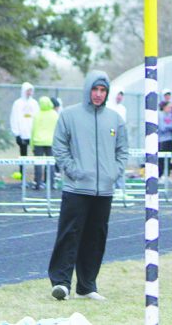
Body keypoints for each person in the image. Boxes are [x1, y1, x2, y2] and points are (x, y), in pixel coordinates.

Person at [48, 70, 128, 301]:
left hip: (104, 190)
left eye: (103, 90)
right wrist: (73, 170)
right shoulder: (69, 116)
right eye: (95, 89)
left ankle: (87, 285)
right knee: (69, 234)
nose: (98, 94)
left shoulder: (115, 119)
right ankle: (61, 283)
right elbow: (60, 146)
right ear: (87, 90)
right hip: (76, 188)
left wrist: (114, 172)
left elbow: (122, 150)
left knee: (96, 237)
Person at [10, 81, 40, 181]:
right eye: (28, 91)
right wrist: (17, 134)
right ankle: (22, 177)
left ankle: (37, 178)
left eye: (31, 90)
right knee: (23, 156)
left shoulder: (34, 103)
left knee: (37, 157)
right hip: (22, 134)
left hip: (33, 135)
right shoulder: (17, 103)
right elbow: (14, 118)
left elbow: (37, 118)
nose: (29, 92)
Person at [31, 95, 59, 189]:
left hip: (38, 142)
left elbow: (33, 130)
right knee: (51, 163)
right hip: (51, 142)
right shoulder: (54, 114)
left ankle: (38, 183)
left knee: (38, 163)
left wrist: (32, 144)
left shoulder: (37, 115)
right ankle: (51, 183)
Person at [158, 100, 172, 181]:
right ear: (164, 107)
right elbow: (162, 128)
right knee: (161, 159)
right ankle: (160, 175)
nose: (170, 109)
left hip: (169, 139)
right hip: (161, 140)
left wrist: (169, 126)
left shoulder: (170, 115)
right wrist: (170, 126)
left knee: (169, 158)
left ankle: (168, 175)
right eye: (169, 107)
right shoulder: (160, 115)